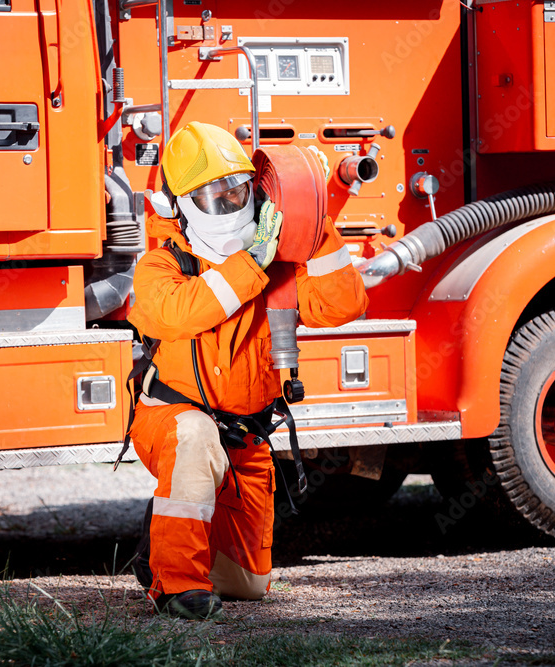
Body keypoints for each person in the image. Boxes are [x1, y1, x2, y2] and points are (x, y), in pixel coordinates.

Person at [127, 121, 368, 619]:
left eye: (237, 191)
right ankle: (174, 584)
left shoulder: (277, 261)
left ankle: (158, 547)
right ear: (182, 205)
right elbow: (181, 312)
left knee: (249, 586)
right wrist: (251, 264)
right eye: (214, 195)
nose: (230, 205)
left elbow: (343, 306)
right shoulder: (162, 264)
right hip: (172, 423)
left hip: (245, 436)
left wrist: (314, 225)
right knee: (194, 438)